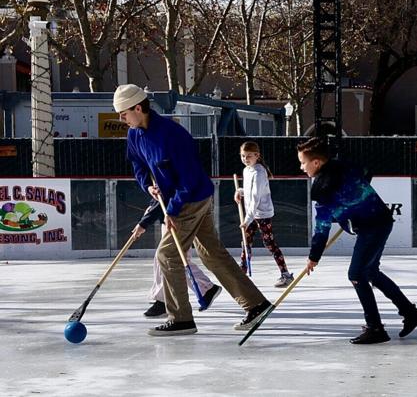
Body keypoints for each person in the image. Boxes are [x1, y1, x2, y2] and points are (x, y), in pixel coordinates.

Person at [116, 84, 271, 336]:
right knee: (212, 254)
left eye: (123, 113)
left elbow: (188, 180)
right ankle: (257, 304)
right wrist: (148, 186)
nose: (121, 119)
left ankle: (181, 319)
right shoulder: (135, 135)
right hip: (178, 198)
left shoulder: (173, 134)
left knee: (168, 256)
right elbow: (138, 164)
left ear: (138, 108)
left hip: (192, 198)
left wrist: (173, 210)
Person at [298, 136, 417, 344]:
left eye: (303, 162)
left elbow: (321, 228)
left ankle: (375, 327)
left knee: (356, 274)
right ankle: (410, 312)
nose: (301, 167)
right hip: (382, 220)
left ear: (316, 162)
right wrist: (353, 202)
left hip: (371, 227)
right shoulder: (344, 165)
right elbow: (367, 172)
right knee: (371, 272)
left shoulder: (322, 188)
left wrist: (314, 256)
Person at [133, 198, 221, 318]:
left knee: (169, 258)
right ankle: (206, 288)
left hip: (178, 215)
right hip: (171, 216)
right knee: (170, 258)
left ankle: (164, 300)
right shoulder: (151, 181)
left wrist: (144, 222)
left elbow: (163, 196)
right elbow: (157, 197)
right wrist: (151, 208)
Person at [235, 141, 293, 288]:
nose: (245, 159)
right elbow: (249, 191)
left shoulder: (260, 172)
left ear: (257, 156)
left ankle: (285, 274)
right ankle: (242, 272)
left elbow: (255, 197)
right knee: (245, 241)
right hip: (251, 212)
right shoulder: (247, 170)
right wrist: (240, 191)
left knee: (269, 243)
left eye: (249, 156)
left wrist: (247, 219)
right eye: (243, 156)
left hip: (262, 214)